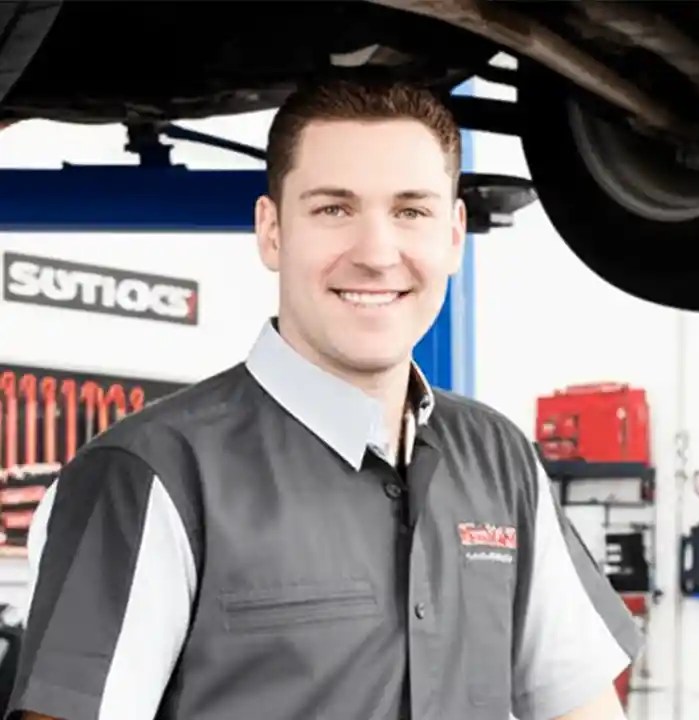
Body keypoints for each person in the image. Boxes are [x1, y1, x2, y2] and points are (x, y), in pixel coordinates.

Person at [6, 67, 641, 720]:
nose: (376, 252)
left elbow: (581, 709)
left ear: (452, 235)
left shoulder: (500, 459)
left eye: (410, 210)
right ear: (272, 231)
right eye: (334, 208)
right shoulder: (150, 476)